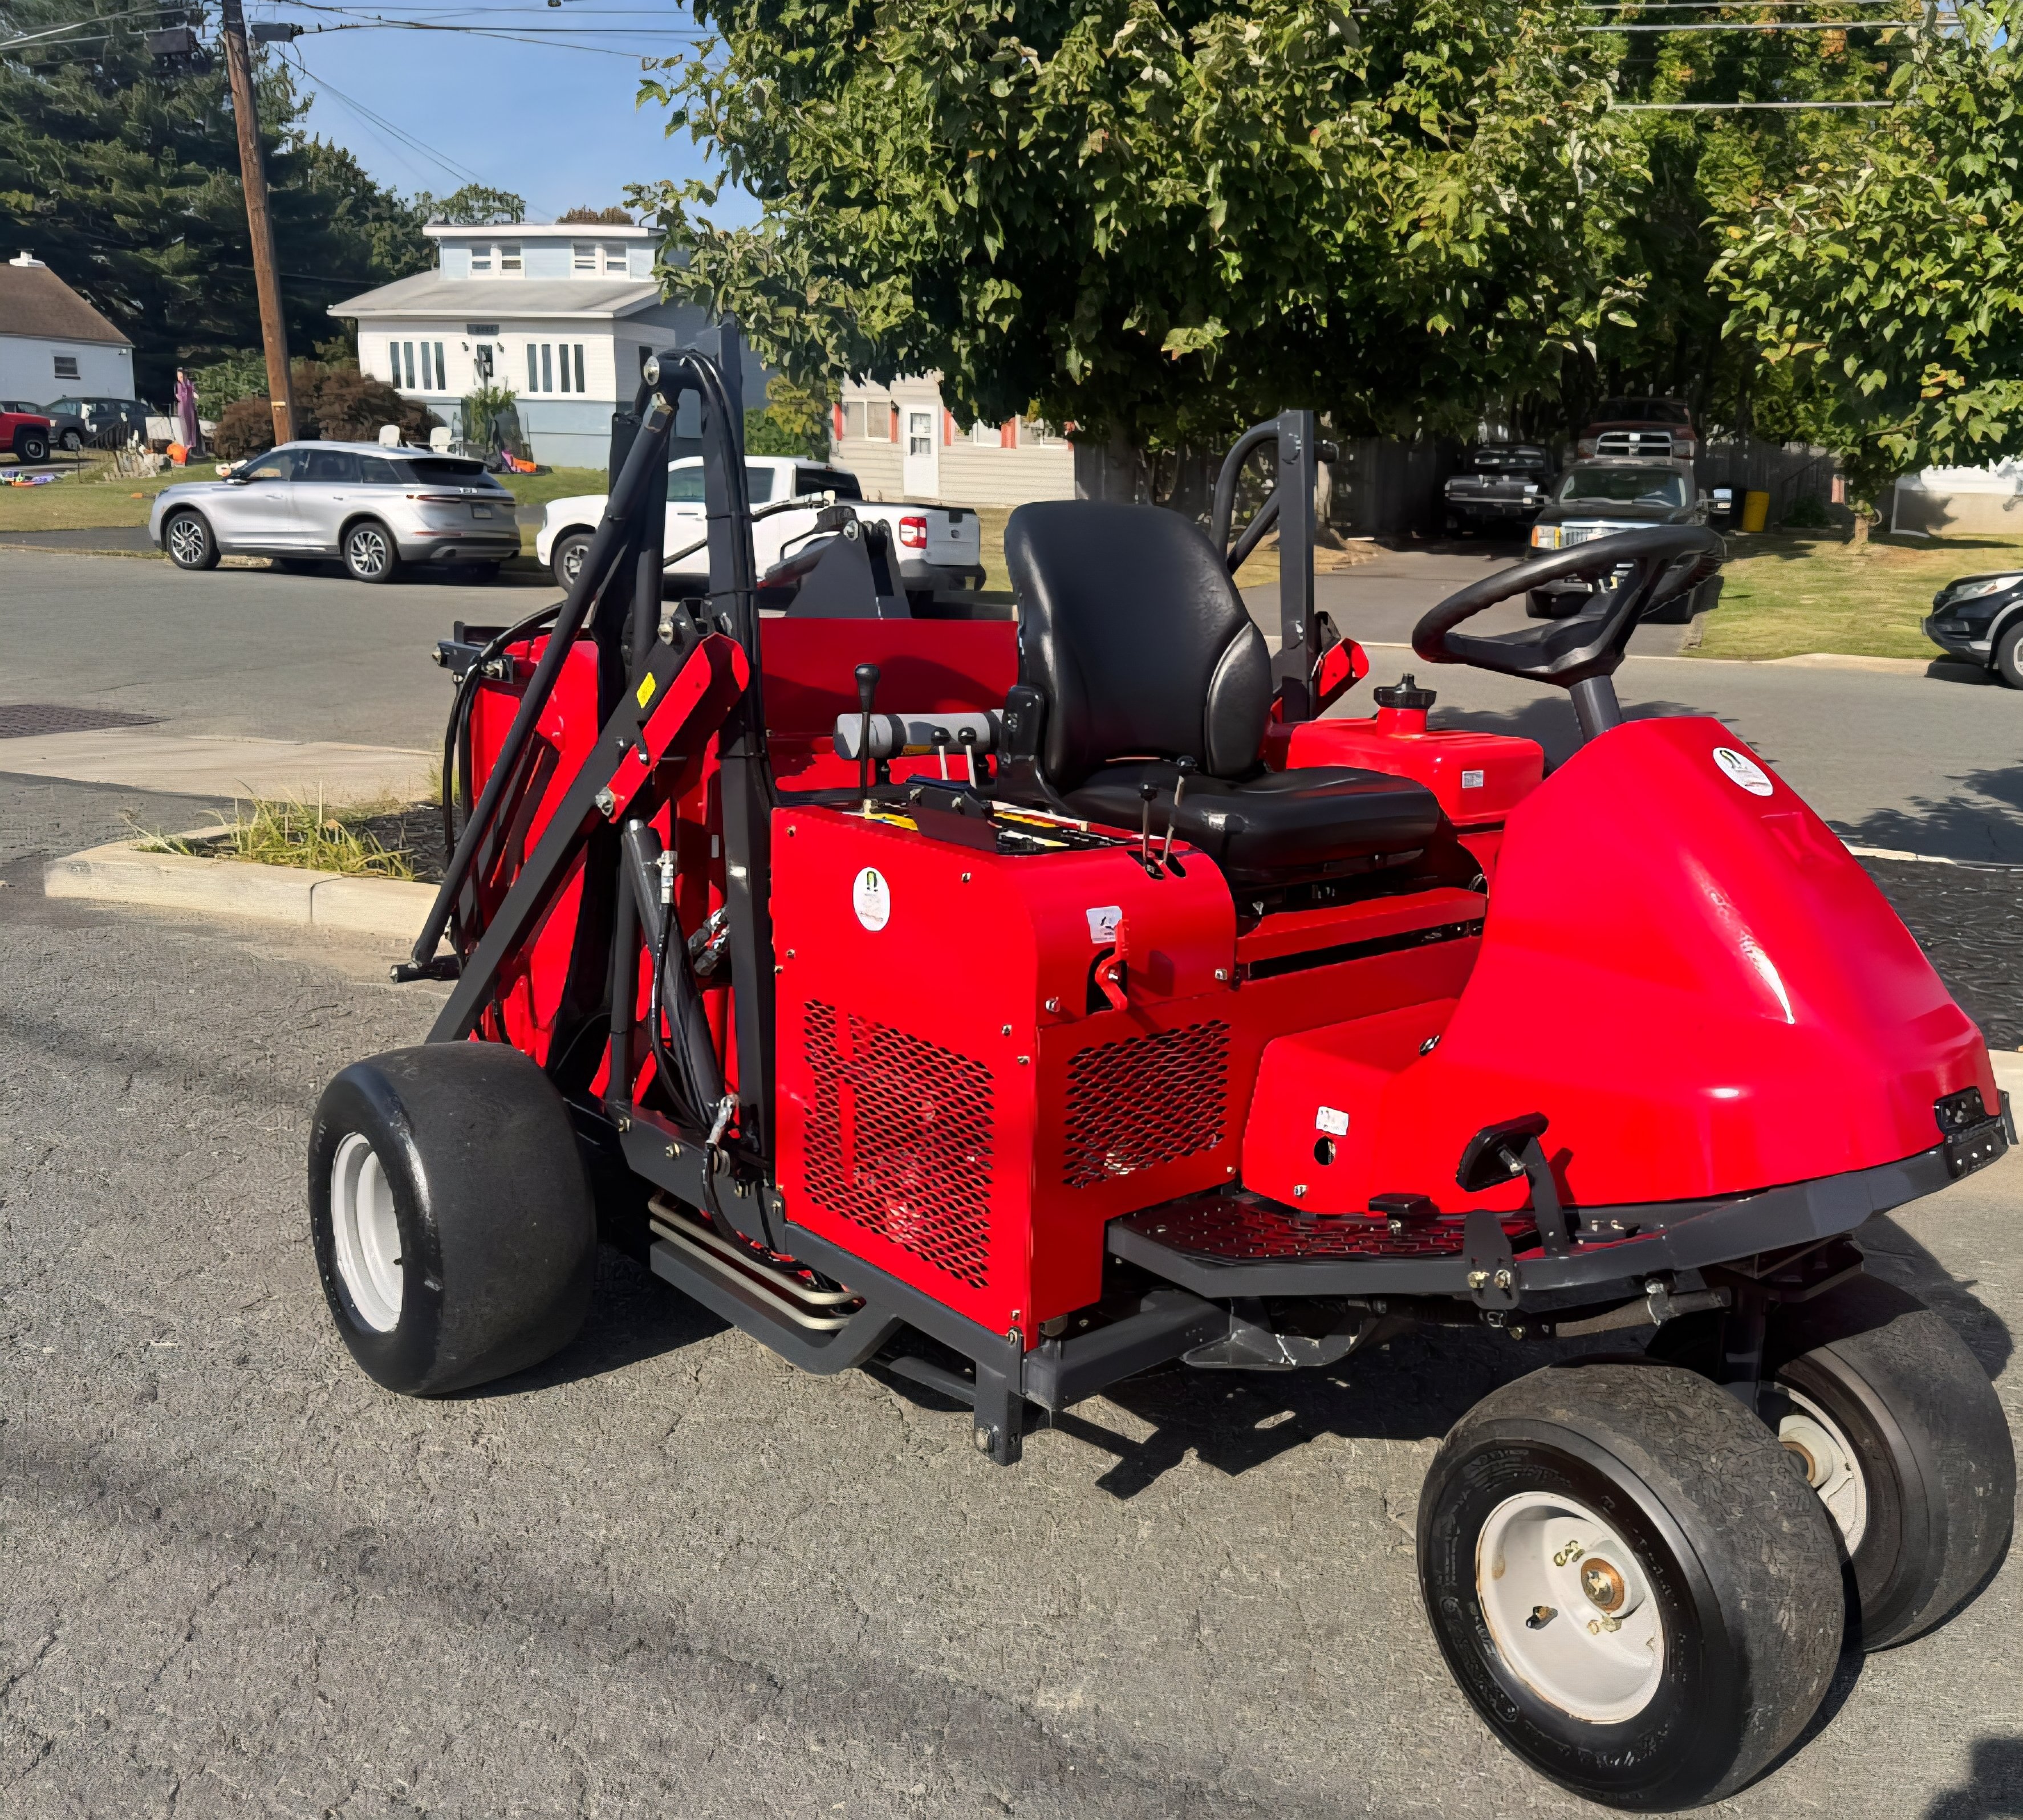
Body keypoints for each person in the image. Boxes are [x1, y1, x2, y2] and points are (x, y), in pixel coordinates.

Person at [174, 369, 202, 458]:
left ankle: (190, 444)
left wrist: (194, 394)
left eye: (181, 376)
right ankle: (186, 444)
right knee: (184, 426)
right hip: (182, 408)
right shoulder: (178, 385)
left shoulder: (188, 383)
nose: (180, 378)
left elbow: (193, 391)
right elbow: (178, 395)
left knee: (191, 424)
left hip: (189, 408)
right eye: (178, 377)